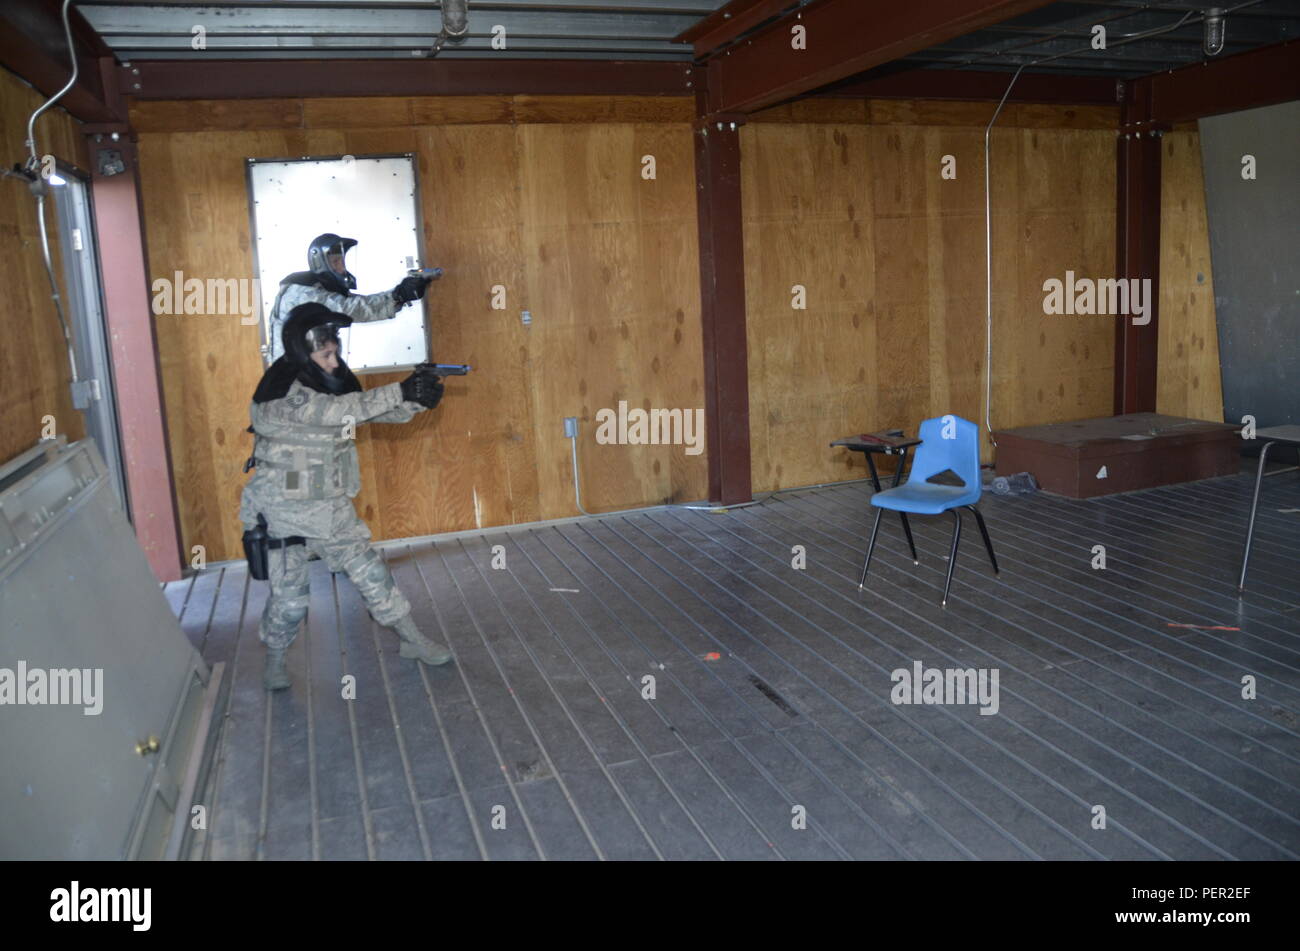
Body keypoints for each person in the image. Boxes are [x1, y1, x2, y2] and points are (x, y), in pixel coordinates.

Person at [240, 302, 452, 690]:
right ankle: (274, 658)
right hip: (283, 510)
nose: (335, 363)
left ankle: (412, 640)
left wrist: (415, 402)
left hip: (327, 504)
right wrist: (398, 389)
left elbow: (360, 414)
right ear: (303, 352)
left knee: (373, 574)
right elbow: (338, 410)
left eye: (335, 353)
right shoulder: (281, 394)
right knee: (290, 604)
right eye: (327, 355)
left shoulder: (320, 382)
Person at [265, 232, 433, 362]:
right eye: (336, 262)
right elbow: (349, 309)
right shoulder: (302, 293)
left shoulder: (317, 290)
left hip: (306, 373)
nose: (342, 268)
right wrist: (398, 295)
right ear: (319, 263)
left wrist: (399, 297)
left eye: (343, 261)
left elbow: (354, 304)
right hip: (292, 382)